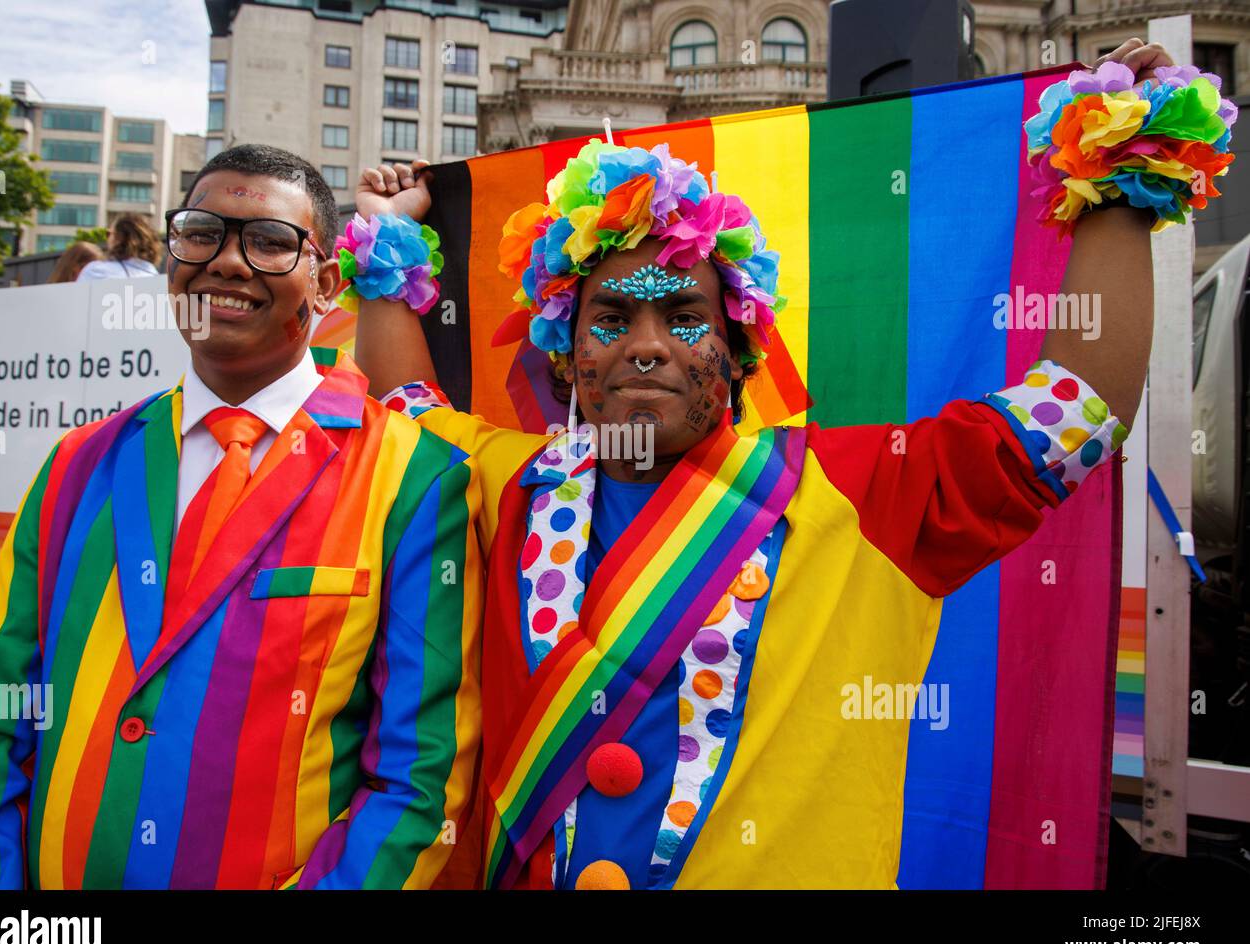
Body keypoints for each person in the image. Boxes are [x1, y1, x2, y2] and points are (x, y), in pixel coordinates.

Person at [346, 40, 1234, 888]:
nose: (646, 346)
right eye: (611, 319)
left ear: (737, 351)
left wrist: (1119, 169)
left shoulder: (865, 483)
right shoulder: (506, 481)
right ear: (566, 356)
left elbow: (1071, 414)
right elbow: (408, 412)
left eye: (685, 317)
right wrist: (387, 241)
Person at [0, 144, 483, 889]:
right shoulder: (77, 464)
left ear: (327, 284)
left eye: (269, 242)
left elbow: (417, 782)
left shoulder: (418, 479)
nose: (228, 263)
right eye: (202, 232)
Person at [76, 212, 162, 281]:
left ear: (118, 239)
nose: (107, 239)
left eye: (109, 234)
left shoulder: (96, 271)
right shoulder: (159, 278)